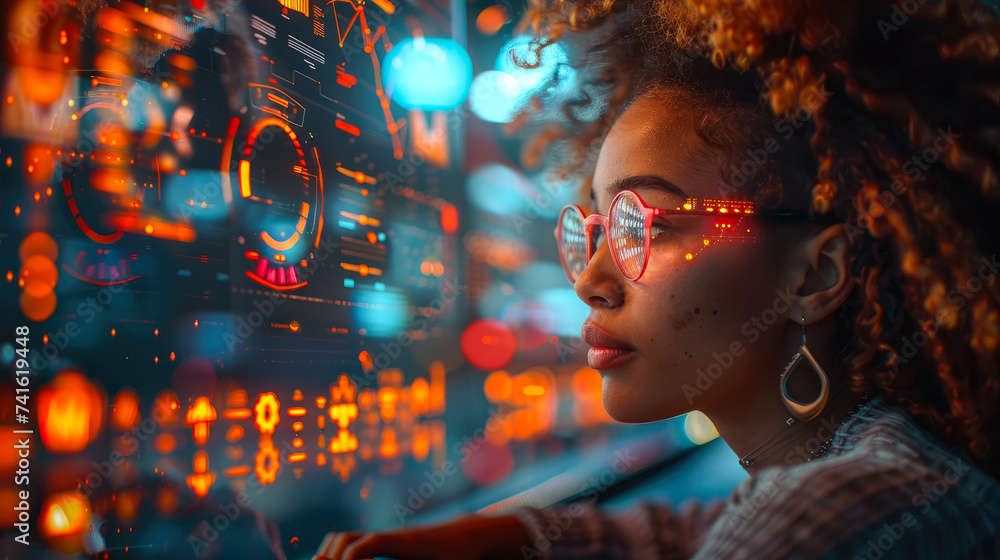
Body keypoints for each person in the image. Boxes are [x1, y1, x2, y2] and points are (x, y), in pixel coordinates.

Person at [313, 0, 1000, 558]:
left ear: (814, 274)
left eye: (648, 225)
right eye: (598, 228)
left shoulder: (832, 513)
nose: (591, 282)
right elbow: (681, 532)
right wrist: (495, 537)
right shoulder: (855, 465)